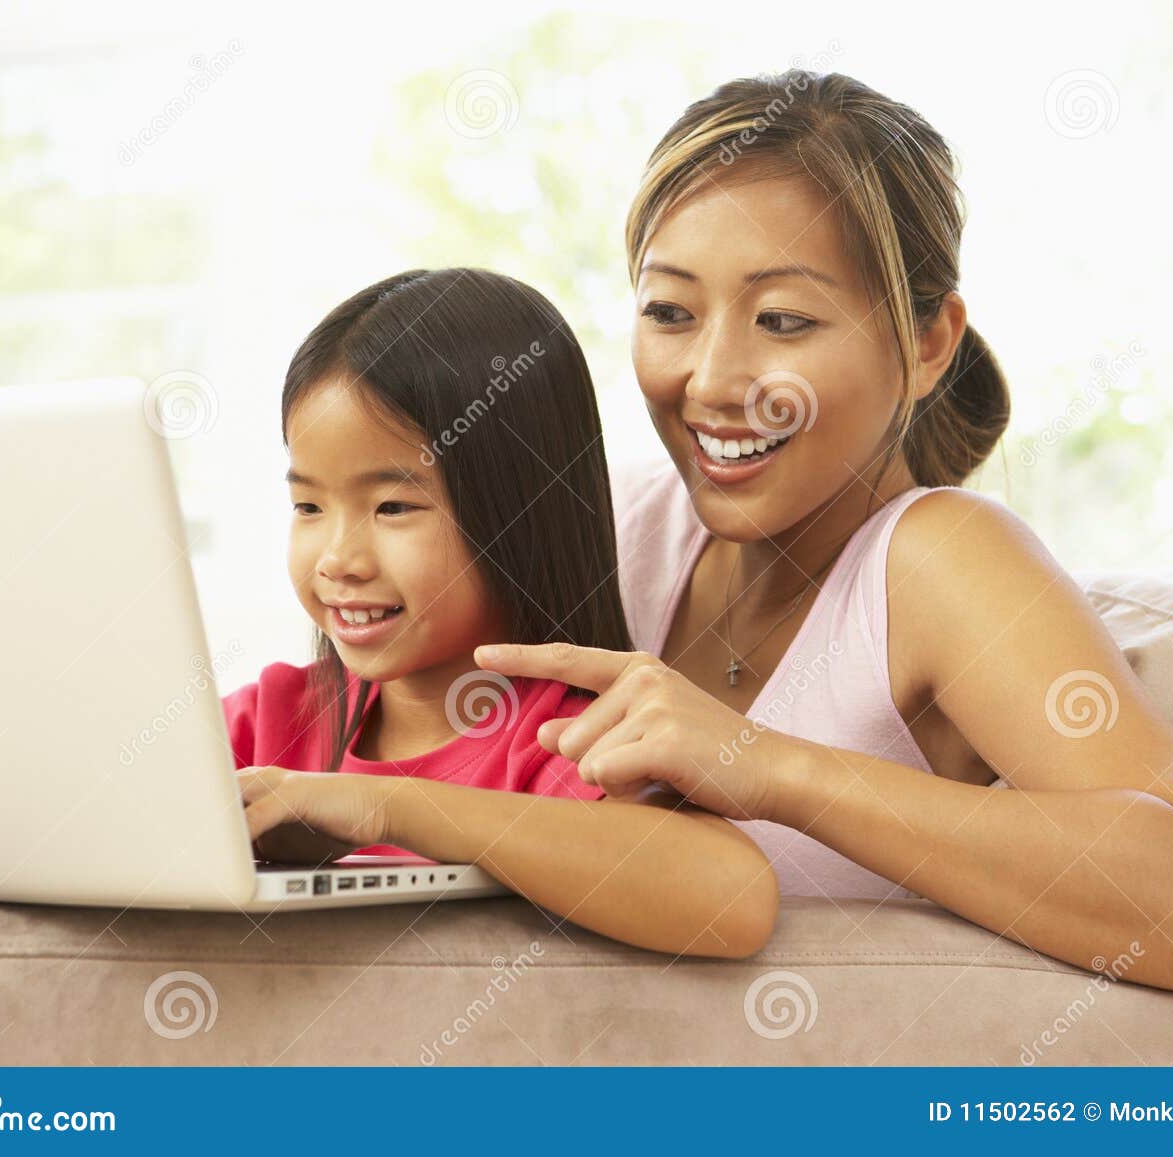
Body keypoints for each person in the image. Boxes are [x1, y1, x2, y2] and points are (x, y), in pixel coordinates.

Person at [475, 72, 1173, 1009]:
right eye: (670, 312)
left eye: (784, 320)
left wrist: (765, 765)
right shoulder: (620, 522)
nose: (710, 380)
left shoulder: (937, 561)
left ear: (930, 341)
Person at [225, 268, 778, 959]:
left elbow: (733, 897)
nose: (338, 558)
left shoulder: (566, 740)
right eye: (308, 505)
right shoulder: (268, 721)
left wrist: (389, 808)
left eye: (392, 506)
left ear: (521, 514)